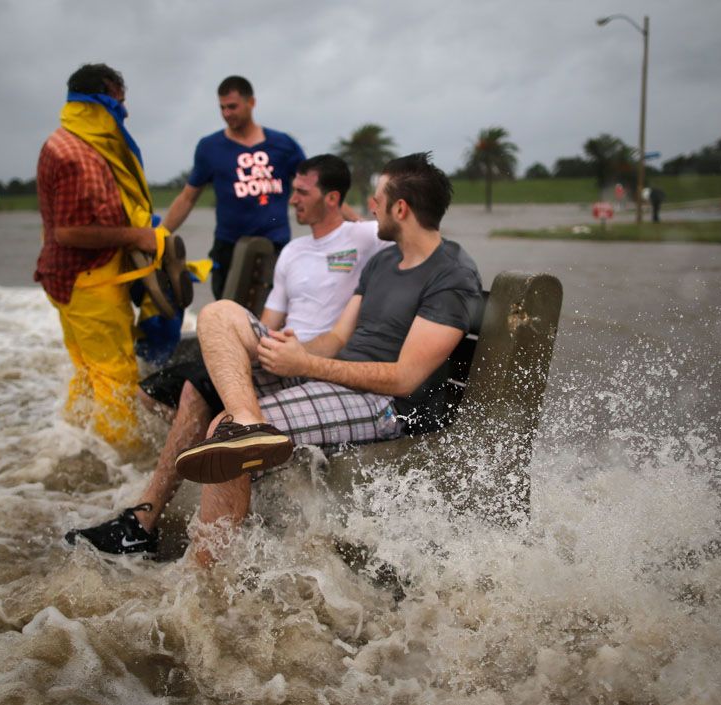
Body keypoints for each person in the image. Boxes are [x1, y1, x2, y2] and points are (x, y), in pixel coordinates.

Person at [65, 154, 388, 554]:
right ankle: (166, 494)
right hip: (276, 351)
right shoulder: (292, 252)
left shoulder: (364, 237)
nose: (291, 200)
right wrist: (255, 347)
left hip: (315, 360)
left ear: (333, 198)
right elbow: (267, 320)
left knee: (195, 396)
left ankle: (144, 519)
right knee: (154, 388)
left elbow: (411, 230)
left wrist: (359, 215)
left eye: (302, 192)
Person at [176, 152, 483, 565]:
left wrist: (307, 366)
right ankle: (250, 424)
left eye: (376, 199)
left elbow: (405, 379)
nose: (369, 208)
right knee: (219, 315)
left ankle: (208, 583)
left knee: (221, 429)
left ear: (400, 208)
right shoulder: (383, 261)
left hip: (386, 406)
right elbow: (338, 337)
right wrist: (293, 352)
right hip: (334, 380)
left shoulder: (451, 276)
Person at [35, 63, 184, 451]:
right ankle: (121, 464)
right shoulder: (79, 155)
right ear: (105, 96)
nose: (126, 112)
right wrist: (139, 235)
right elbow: (69, 231)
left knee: (88, 372)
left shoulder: (67, 142)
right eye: (121, 101)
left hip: (68, 279)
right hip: (89, 281)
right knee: (115, 374)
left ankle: (76, 442)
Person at [160, 76, 307, 300]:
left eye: (232, 106)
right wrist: (159, 236)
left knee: (273, 317)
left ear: (251, 103)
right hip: (230, 249)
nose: (226, 113)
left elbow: (315, 187)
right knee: (228, 317)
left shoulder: (283, 144)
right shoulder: (210, 147)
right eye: (222, 108)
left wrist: (354, 222)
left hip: (275, 247)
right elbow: (188, 197)